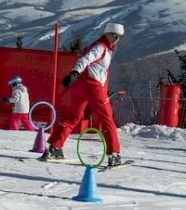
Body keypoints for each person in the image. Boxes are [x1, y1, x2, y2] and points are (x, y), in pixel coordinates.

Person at [40, 24, 125, 168]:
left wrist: (76, 75)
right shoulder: (100, 47)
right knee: (107, 118)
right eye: (114, 35)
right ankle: (114, 154)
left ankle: (54, 147)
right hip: (93, 87)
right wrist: (74, 72)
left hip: (80, 86)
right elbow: (85, 59)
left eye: (119, 37)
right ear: (107, 34)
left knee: (73, 117)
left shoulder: (105, 47)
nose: (116, 39)